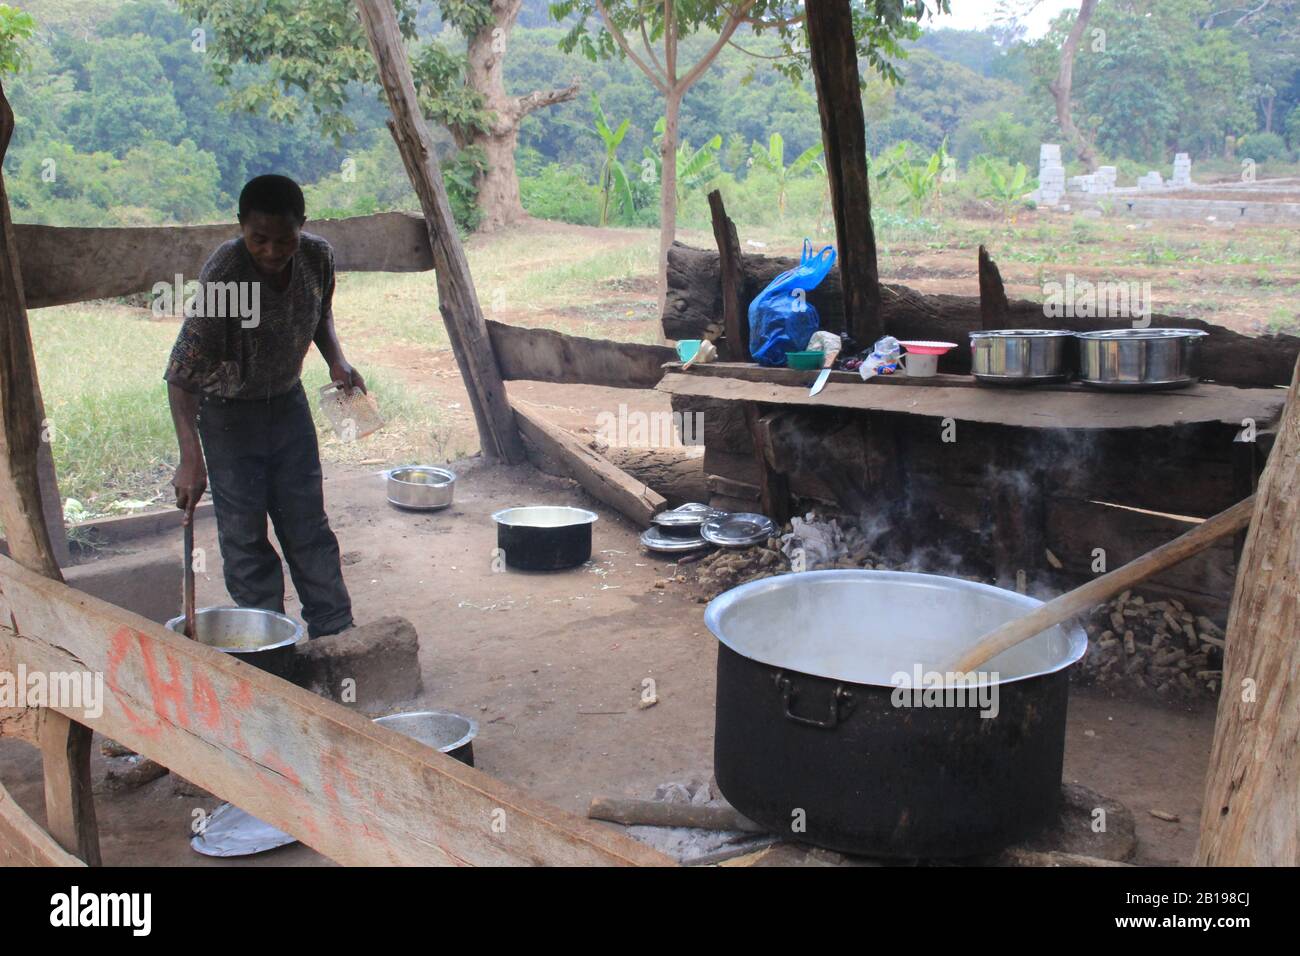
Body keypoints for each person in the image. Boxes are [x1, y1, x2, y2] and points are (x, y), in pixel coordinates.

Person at [166, 174, 362, 638]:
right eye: (260, 239)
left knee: (307, 523)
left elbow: (320, 313)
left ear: (303, 227)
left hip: (288, 405)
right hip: (228, 415)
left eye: (284, 239)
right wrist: (190, 457)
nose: (273, 251)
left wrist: (337, 359)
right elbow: (180, 376)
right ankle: (267, 637)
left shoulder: (317, 257)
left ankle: (335, 631)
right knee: (245, 535)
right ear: (241, 227)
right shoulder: (225, 274)